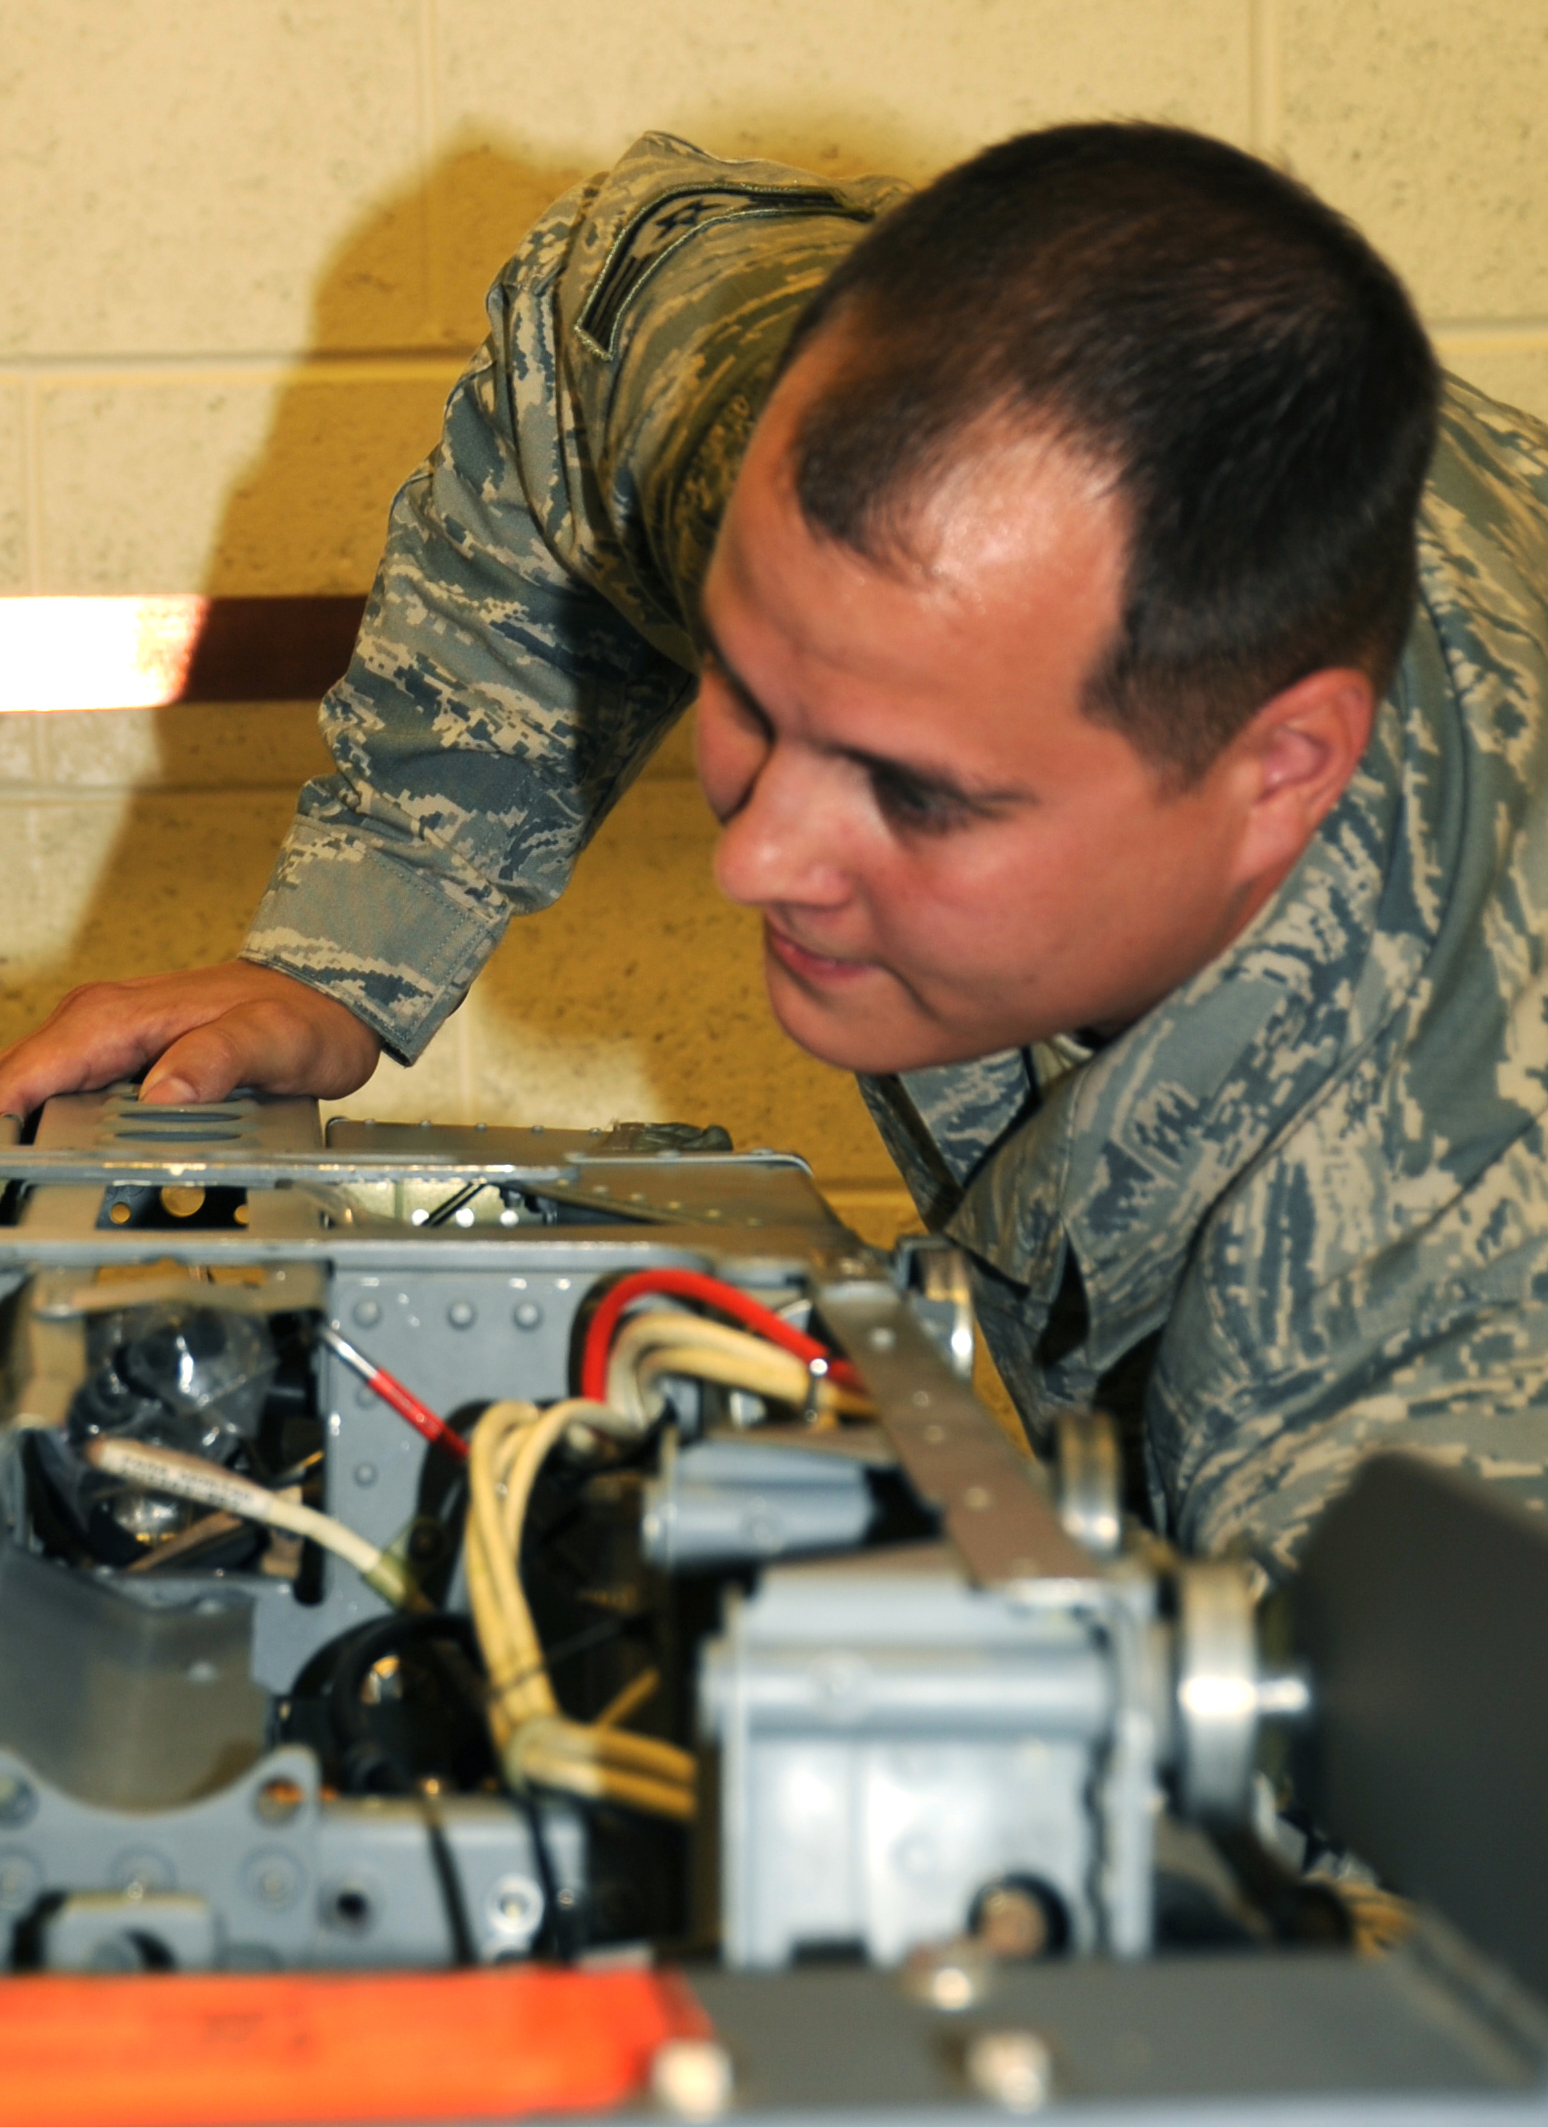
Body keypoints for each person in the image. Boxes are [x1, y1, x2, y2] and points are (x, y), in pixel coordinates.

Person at [4, 122, 1547, 1582]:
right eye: (749, 687)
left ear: (1276, 775)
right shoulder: (817, 457)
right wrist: (347, 944)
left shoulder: (1420, 1345)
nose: (756, 859)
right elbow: (588, 321)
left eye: (917, 795)